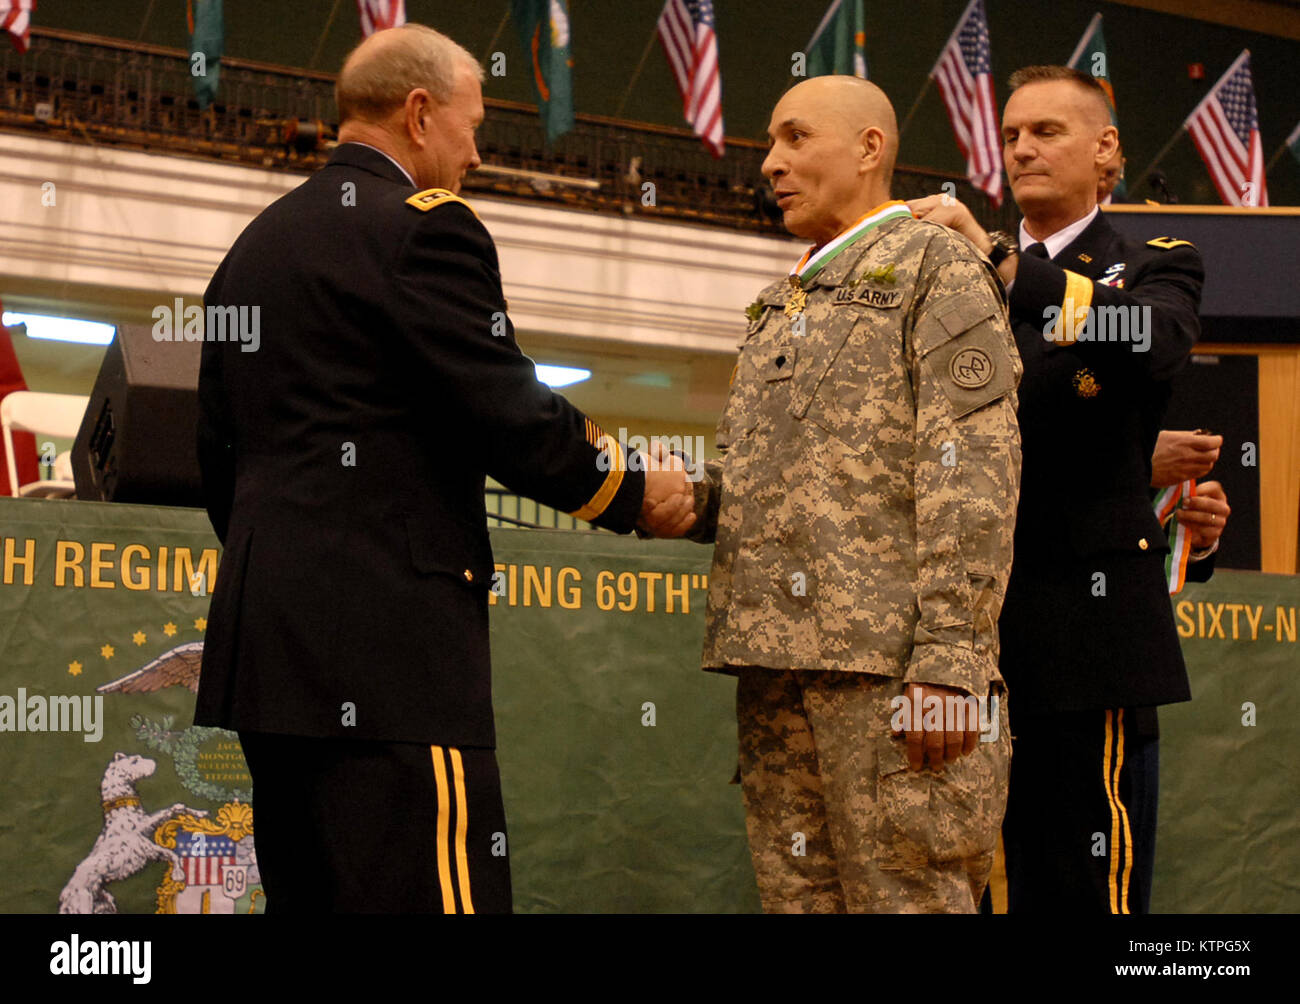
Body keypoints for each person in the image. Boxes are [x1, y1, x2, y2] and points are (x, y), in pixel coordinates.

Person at [193, 24, 694, 913]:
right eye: (472, 126)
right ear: (419, 114)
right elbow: (506, 406)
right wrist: (630, 489)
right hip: (393, 656)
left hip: (268, 653)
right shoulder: (425, 231)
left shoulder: (251, 250)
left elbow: (216, 455)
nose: (475, 154)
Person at [655, 75, 1023, 913]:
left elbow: (973, 473)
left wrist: (949, 666)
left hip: (893, 680)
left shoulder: (939, 268)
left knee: (911, 900)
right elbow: (784, 483)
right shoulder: (785, 301)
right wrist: (692, 501)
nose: (771, 164)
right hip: (775, 668)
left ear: (869, 148)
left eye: (795, 139)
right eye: (770, 145)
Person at [909, 65, 1206, 913]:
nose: (1023, 148)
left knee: (1081, 889)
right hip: (961, 639)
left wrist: (1006, 267)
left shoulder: (1152, 263)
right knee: (964, 882)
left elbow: (1153, 342)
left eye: (1047, 131)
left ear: (1106, 148)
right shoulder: (956, 274)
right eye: (1010, 135)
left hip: (1084, 635)